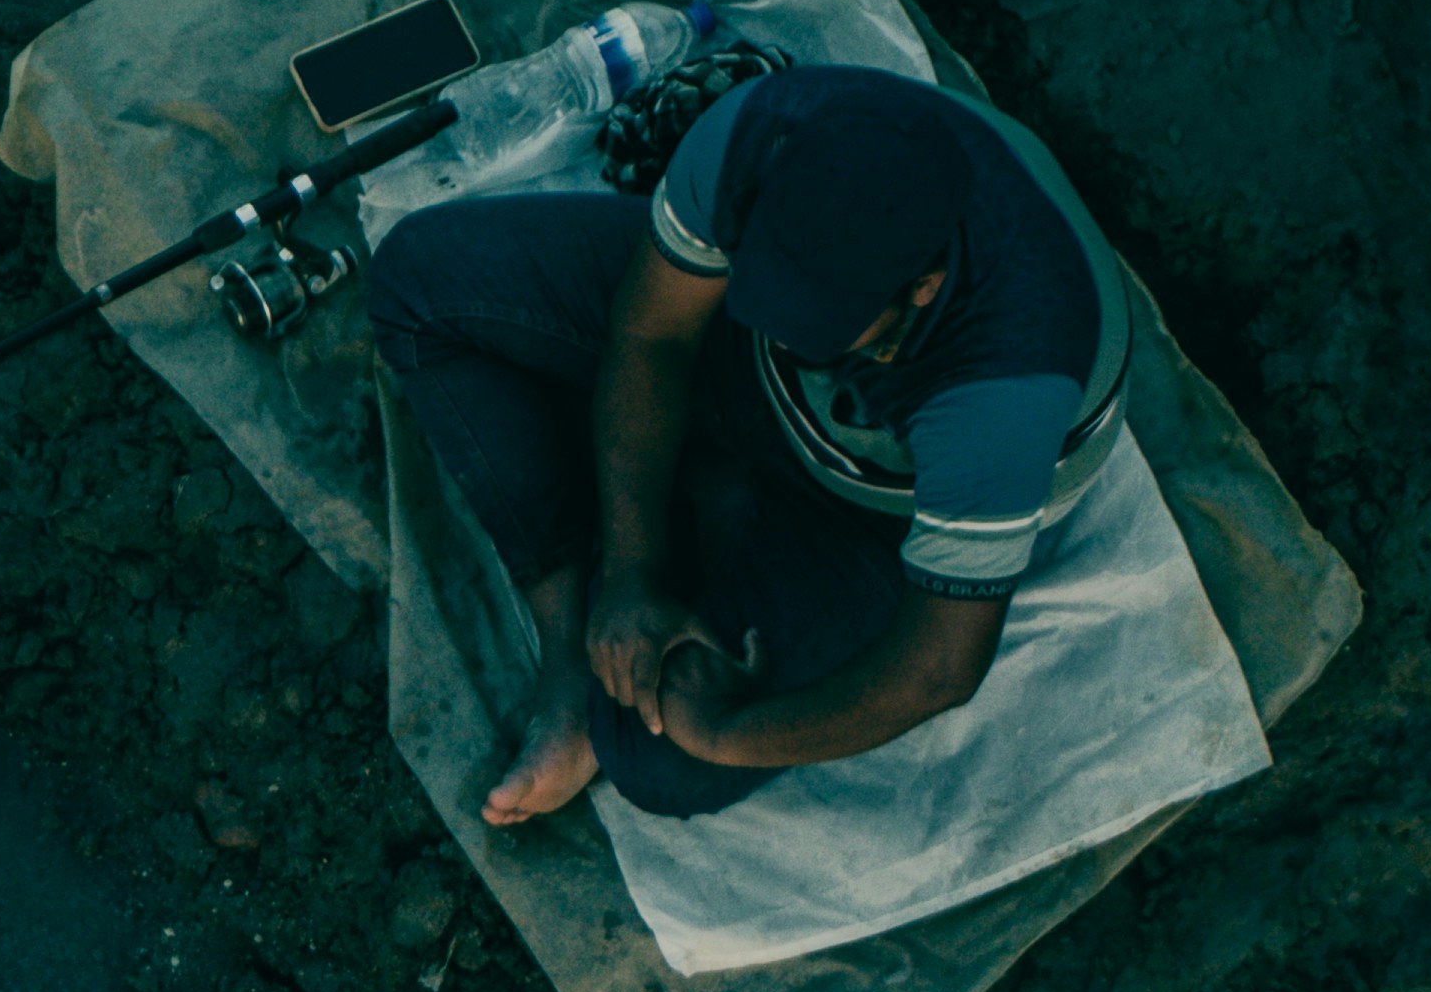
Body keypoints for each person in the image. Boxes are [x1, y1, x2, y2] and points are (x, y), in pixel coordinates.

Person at [366, 61, 1127, 829]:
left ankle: (690, 497)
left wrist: (723, 733)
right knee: (419, 281)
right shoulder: (754, 134)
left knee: (657, 755)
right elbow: (655, 332)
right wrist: (630, 580)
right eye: (772, 291)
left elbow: (937, 669)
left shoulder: (1005, 384)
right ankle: (570, 652)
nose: (789, 336)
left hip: (872, 510)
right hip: (728, 362)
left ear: (924, 286)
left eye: (822, 327)